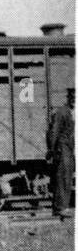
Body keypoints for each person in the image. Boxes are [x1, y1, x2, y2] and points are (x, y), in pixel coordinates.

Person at [47, 88, 75, 217]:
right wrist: (52, 150)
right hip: (62, 148)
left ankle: (63, 206)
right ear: (69, 98)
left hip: (69, 148)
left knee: (67, 177)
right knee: (63, 177)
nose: (75, 101)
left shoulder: (70, 112)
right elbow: (53, 132)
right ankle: (60, 207)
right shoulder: (61, 112)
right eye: (73, 98)